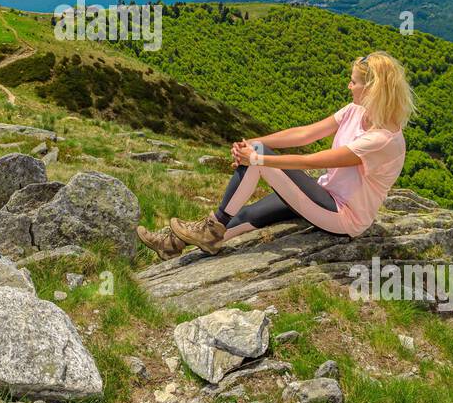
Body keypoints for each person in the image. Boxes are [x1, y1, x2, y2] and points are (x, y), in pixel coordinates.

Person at [136, 51, 415, 258]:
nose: (348, 86)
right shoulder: (357, 111)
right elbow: (305, 134)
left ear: (371, 88)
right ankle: (173, 244)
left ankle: (211, 228)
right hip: (324, 194)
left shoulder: (382, 140)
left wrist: (258, 158)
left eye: (353, 82)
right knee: (246, 216)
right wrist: (252, 142)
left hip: (343, 217)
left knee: (256, 166)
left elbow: (312, 160)